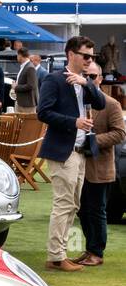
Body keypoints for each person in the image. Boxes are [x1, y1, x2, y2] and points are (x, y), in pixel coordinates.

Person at [38, 35, 107, 272]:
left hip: (81, 152)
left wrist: (87, 83)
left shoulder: (84, 81)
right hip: (62, 151)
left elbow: (100, 104)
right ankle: (56, 257)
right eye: (86, 56)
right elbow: (43, 113)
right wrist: (74, 122)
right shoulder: (53, 79)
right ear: (71, 55)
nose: (89, 60)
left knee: (73, 205)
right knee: (64, 204)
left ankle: (59, 254)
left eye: (92, 57)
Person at [74, 62, 125, 267]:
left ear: (100, 79)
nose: (88, 80)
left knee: (97, 210)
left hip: (100, 166)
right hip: (77, 166)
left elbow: (120, 134)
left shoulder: (111, 103)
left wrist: (93, 141)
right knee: (82, 210)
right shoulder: (76, 102)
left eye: (92, 76)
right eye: (85, 75)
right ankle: (89, 250)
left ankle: (97, 252)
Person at [14, 47, 40, 114]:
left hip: (28, 104)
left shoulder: (30, 67)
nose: (17, 57)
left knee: (28, 124)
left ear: (20, 55)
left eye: (17, 55)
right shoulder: (24, 66)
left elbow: (31, 85)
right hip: (21, 102)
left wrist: (16, 87)